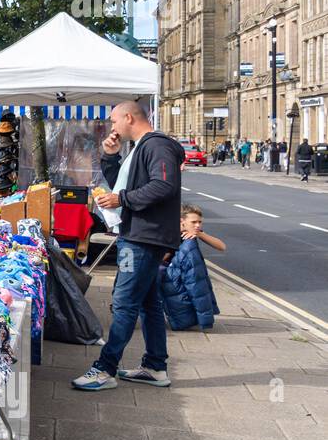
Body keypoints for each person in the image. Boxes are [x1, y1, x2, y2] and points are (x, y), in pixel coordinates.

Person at [73, 101, 183, 392]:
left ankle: (105, 369)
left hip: (143, 239)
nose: (112, 128)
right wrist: (110, 158)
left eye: (114, 121)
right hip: (139, 234)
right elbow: (124, 186)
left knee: (123, 303)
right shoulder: (139, 148)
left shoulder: (156, 146)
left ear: (129, 117)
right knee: (148, 304)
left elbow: (163, 186)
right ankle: (155, 366)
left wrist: (122, 200)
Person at [159, 205, 225, 330]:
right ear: (181, 221)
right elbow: (161, 257)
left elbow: (222, 246)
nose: (197, 225)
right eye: (193, 222)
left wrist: (200, 235)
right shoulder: (170, 232)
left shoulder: (194, 232)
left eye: (200, 222)